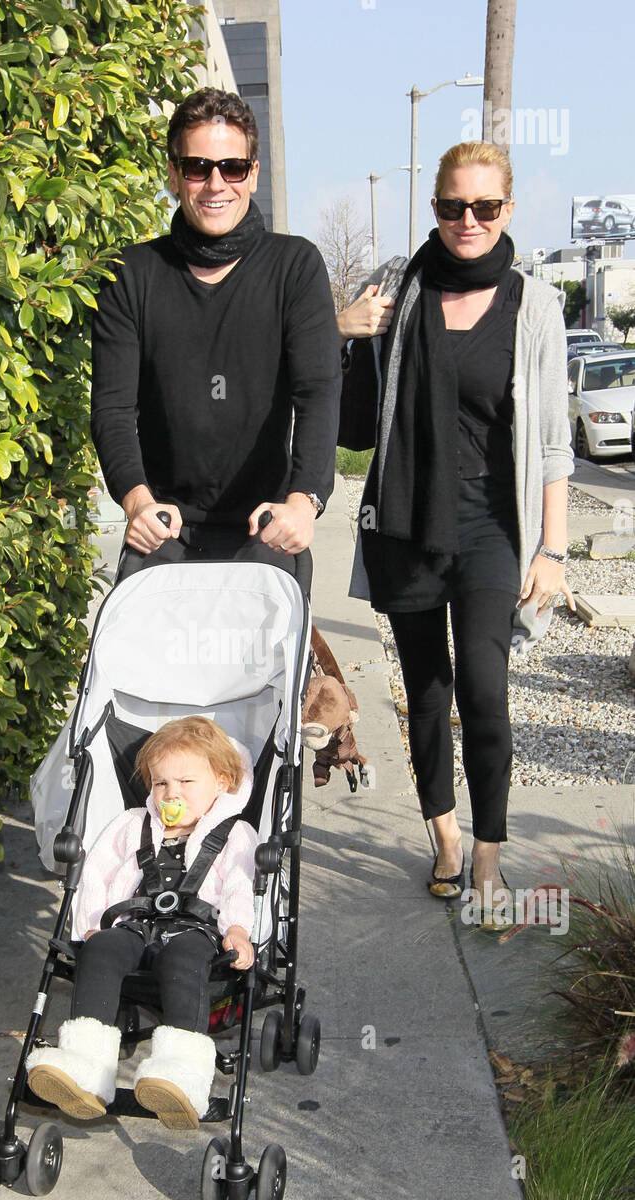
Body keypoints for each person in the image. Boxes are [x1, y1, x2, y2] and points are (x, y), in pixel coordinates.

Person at [340, 142, 574, 928]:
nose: (466, 221)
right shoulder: (395, 293)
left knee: (483, 691)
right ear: (433, 208)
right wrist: (347, 333)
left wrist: (553, 547)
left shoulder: (533, 305)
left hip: (489, 524)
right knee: (426, 690)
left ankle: (487, 857)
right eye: (451, 207)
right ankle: (443, 838)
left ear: (509, 211)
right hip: (408, 518)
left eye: (484, 207)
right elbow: (345, 418)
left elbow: (549, 442)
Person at [90, 88, 342, 584]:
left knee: (267, 659)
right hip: (165, 529)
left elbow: (317, 393)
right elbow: (113, 410)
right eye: (197, 167)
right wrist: (138, 501)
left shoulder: (295, 266)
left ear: (253, 172)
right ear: (173, 173)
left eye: (231, 167)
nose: (214, 184)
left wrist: (303, 502)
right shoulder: (130, 274)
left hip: (265, 528)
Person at [26, 717, 258, 1128]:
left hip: (197, 932)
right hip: (134, 924)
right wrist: (92, 926)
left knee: (184, 962)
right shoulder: (133, 824)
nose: (171, 794)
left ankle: (180, 1073)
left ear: (221, 782)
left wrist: (238, 930)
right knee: (99, 949)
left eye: (186, 783)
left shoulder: (235, 833)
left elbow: (241, 884)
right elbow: (96, 873)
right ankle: (85, 1066)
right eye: (160, 783)